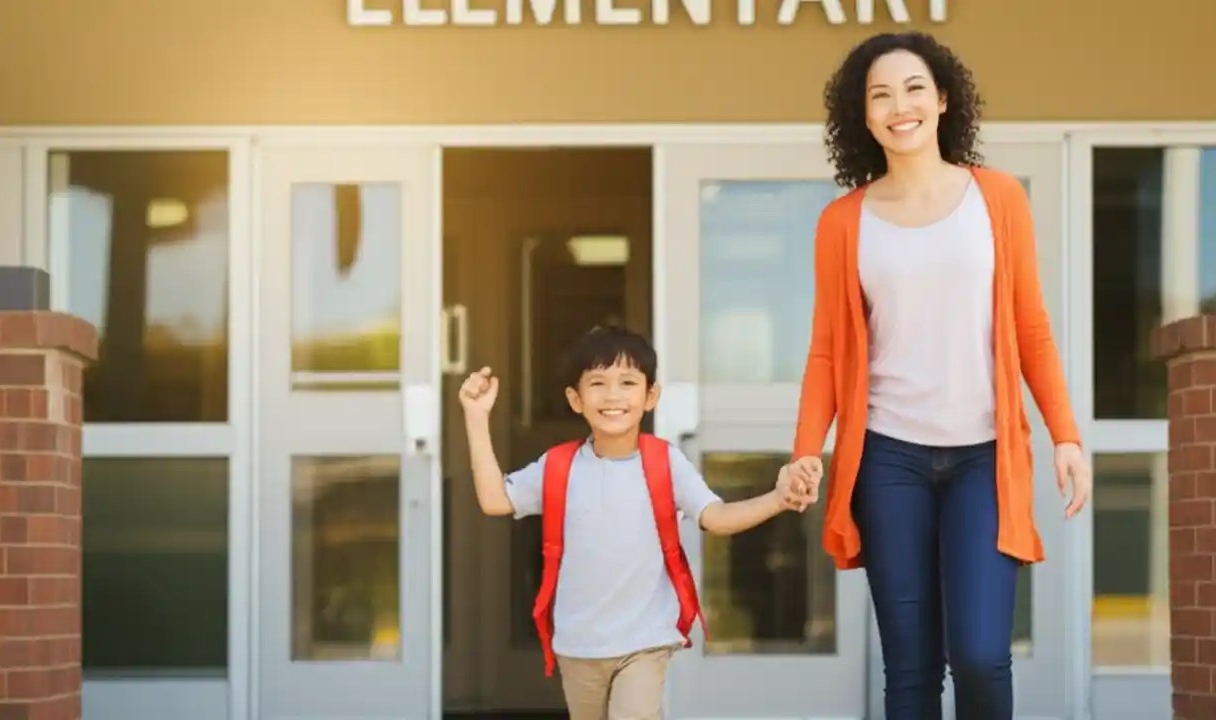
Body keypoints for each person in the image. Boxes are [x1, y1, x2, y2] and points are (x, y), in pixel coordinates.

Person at [783, 32, 1093, 720]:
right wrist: (807, 451)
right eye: (881, 96)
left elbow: (1031, 329)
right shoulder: (843, 223)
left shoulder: (999, 198)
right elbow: (828, 352)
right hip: (888, 458)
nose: (900, 107)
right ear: (861, 117)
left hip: (985, 457)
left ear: (944, 99)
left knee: (981, 654)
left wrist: (1064, 434)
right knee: (913, 669)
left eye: (914, 88)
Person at [459, 325, 811, 720]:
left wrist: (778, 499)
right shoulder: (558, 467)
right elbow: (494, 500)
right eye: (598, 383)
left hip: (645, 641)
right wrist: (476, 418)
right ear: (576, 399)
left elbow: (716, 517)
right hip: (578, 646)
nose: (613, 395)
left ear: (650, 396)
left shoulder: (665, 463)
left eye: (627, 382)